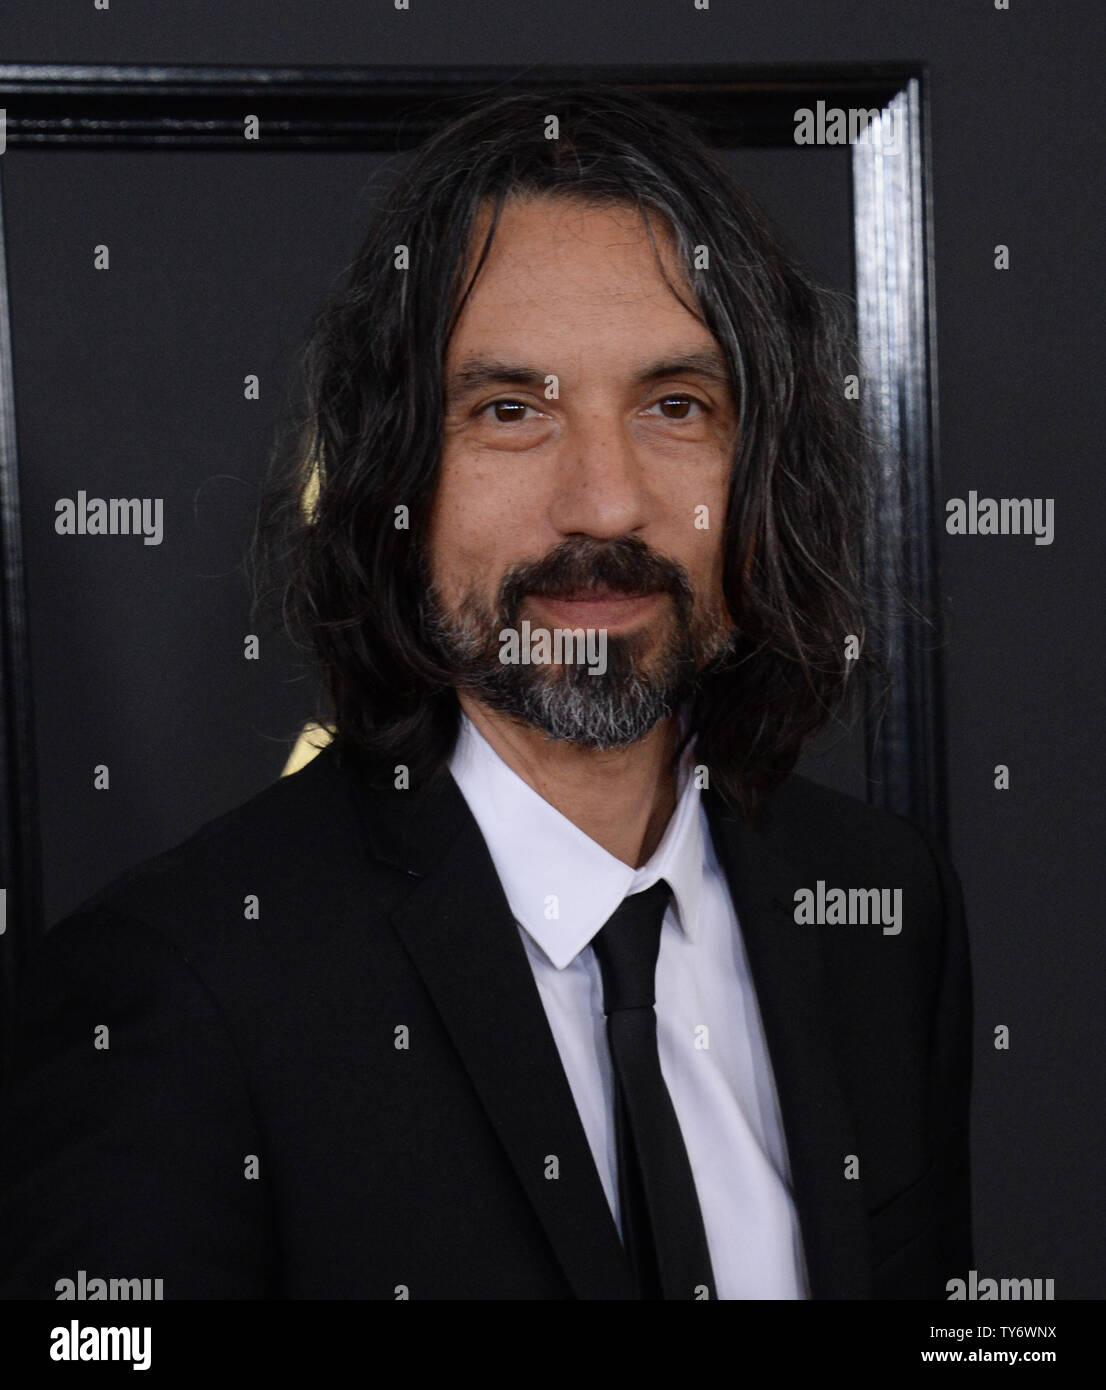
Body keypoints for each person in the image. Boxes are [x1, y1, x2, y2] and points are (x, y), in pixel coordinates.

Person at [0, 84, 972, 1300]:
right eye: (510, 411)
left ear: (761, 463)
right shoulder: (184, 987)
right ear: (389, 468)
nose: (605, 503)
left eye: (674, 406)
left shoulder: (879, 911)